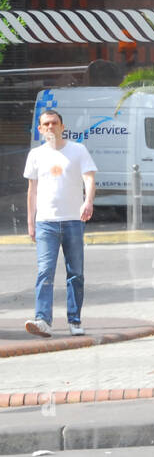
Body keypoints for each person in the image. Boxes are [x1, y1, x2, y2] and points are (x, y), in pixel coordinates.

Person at [23, 109, 97, 338]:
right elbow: (32, 190)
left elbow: (89, 177)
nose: (50, 127)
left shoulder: (78, 150)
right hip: (46, 222)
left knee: (75, 273)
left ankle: (74, 320)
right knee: (45, 272)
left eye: (54, 123)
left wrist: (88, 201)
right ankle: (42, 320)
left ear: (62, 126)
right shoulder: (36, 155)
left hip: (73, 221)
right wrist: (31, 221)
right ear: (40, 129)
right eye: (45, 124)